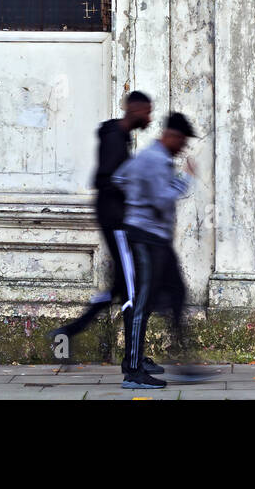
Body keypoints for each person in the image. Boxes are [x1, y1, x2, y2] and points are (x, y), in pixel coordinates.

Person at [49, 91, 161, 370]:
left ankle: (71, 332)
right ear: (134, 110)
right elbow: (104, 179)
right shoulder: (114, 138)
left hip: (117, 221)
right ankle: (132, 363)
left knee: (121, 289)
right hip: (118, 224)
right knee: (133, 292)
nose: (149, 118)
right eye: (146, 112)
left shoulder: (120, 137)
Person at [112, 112, 200, 389]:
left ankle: (181, 361)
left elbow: (121, 178)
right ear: (171, 136)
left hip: (156, 238)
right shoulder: (154, 159)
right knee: (142, 302)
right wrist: (185, 179)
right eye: (182, 141)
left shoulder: (153, 158)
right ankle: (134, 371)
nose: (183, 147)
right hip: (145, 239)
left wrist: (136, 199)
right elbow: (162, 198)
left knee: (175, 293)